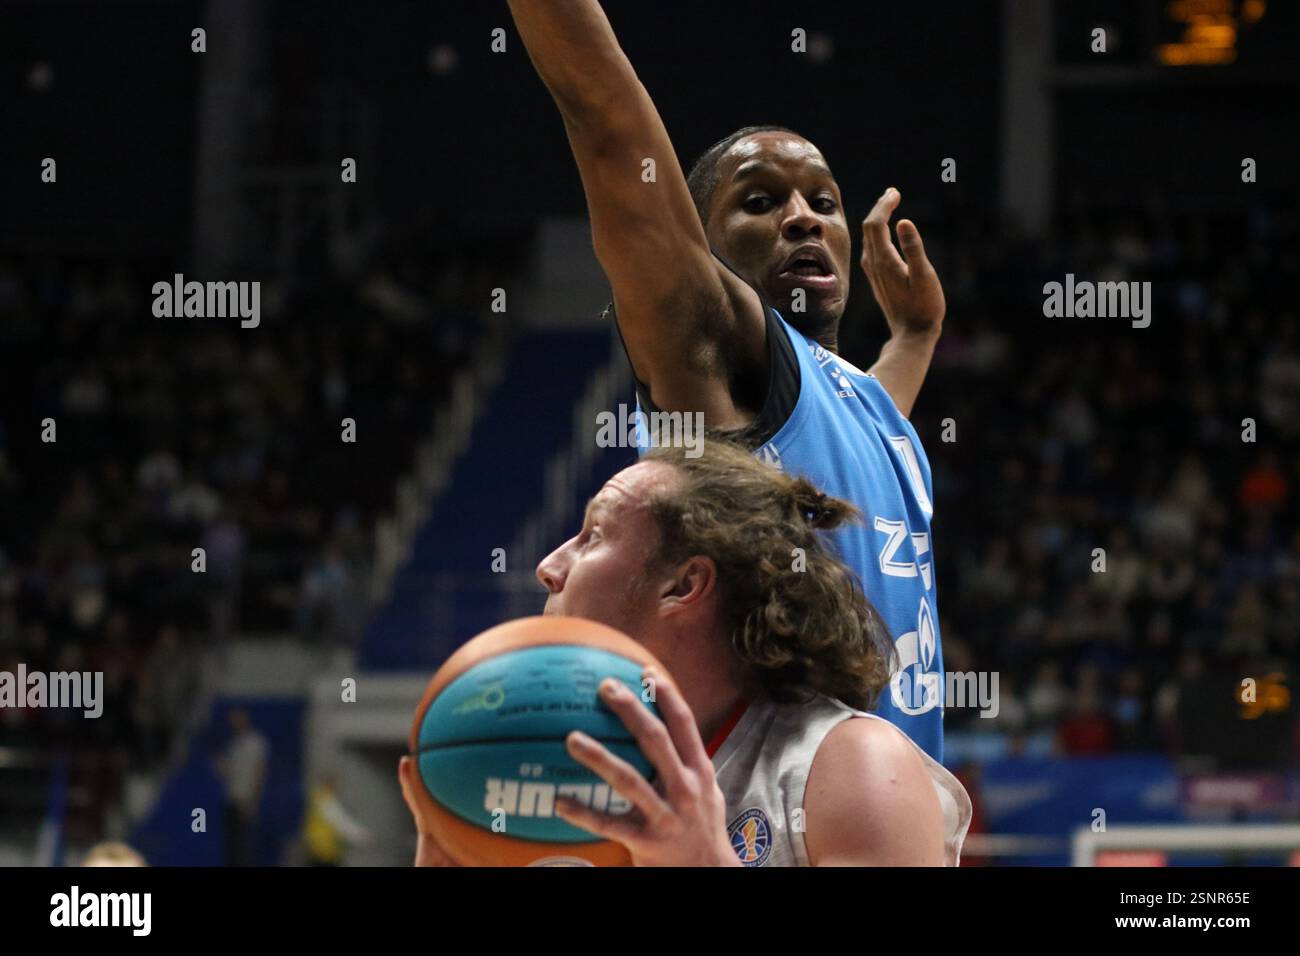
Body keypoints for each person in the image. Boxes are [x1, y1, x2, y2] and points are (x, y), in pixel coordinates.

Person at [507, 1, 950, 759]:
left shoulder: (865, 412)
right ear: (701, 250)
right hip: (771, 821)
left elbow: (864, 425)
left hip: (889, 817)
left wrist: (915, 334)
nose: (805, 218)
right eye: (759, 201)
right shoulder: (712, 358)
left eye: (824, 202)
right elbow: (606, 117)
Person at [399, 440, 970, 866]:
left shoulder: (850, 765)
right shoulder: (546, 775)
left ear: (682, 584)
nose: (548, 567)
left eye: (593, 536)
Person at [216, 708, 268, 866]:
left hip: (245, 799)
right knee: (230, 846)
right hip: (230, 799)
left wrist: (253, 799)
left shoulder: (256, 741)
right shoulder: (233, 744)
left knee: (243, 846)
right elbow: (228, 772)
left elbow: (260, 770)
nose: (234, 722)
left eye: (237, 718)